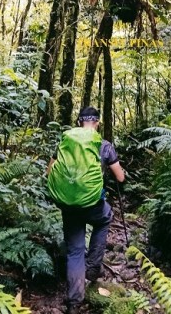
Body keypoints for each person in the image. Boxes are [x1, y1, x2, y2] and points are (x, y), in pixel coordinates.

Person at [47, 106, 125, 314]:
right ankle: (93, 266)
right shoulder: (104, 145)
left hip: (69, 205)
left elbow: (49, 171)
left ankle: (74, 302)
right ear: (97, 123)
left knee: (74, 251)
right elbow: (120, 177)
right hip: (93, 204)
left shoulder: (66, 142)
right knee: (105, 218)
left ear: (79, 122)